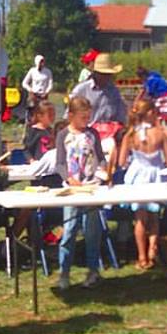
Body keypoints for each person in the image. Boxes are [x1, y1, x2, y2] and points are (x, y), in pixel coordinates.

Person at [54, 96, 107, 290]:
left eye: (88, 117)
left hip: (91, 187)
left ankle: (93, 271)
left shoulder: (93, 134)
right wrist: (68, 178)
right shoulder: (63, 135)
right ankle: (64, 272)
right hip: (72, 189)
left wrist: (104, 170)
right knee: (69, 230)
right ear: (71, 116)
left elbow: (100, 157)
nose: (86, 120)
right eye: (83, 117)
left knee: (92, 231)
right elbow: (60, 163)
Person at [118, 97, 167, 269]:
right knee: (154, 216)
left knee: (140, 219)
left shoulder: (130, 135)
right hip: (155, 175)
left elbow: (121, 162)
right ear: (150, 113)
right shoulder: (160, 133)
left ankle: (142, 256)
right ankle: (152, 249)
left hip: (138, 176)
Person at [68, 52, 128, 138]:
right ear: (96, 73)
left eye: (109, 74)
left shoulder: (114, 91)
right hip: (85, 134)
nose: (107, 77)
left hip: (110, 134)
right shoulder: (81, 90)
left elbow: (120, 115)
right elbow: (69, 115)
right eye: (104, 74)